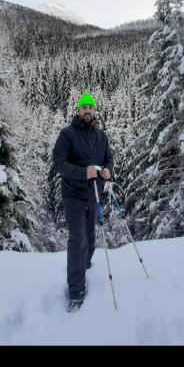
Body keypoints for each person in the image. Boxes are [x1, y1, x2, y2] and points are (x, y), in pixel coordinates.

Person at [52, 92, 114, 312]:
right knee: (78, 241)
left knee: (90, 238)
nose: (87, 110)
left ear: (95, 110)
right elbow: (59, 163)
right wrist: (82, 173)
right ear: (78, 110)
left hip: (93, 195)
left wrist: (108, 171)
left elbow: (108, 159)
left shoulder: (101, 136)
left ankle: (85, 266)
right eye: (84, 107)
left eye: (90, 107)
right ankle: (76, 292)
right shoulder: (67, 134)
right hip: (74, 195)